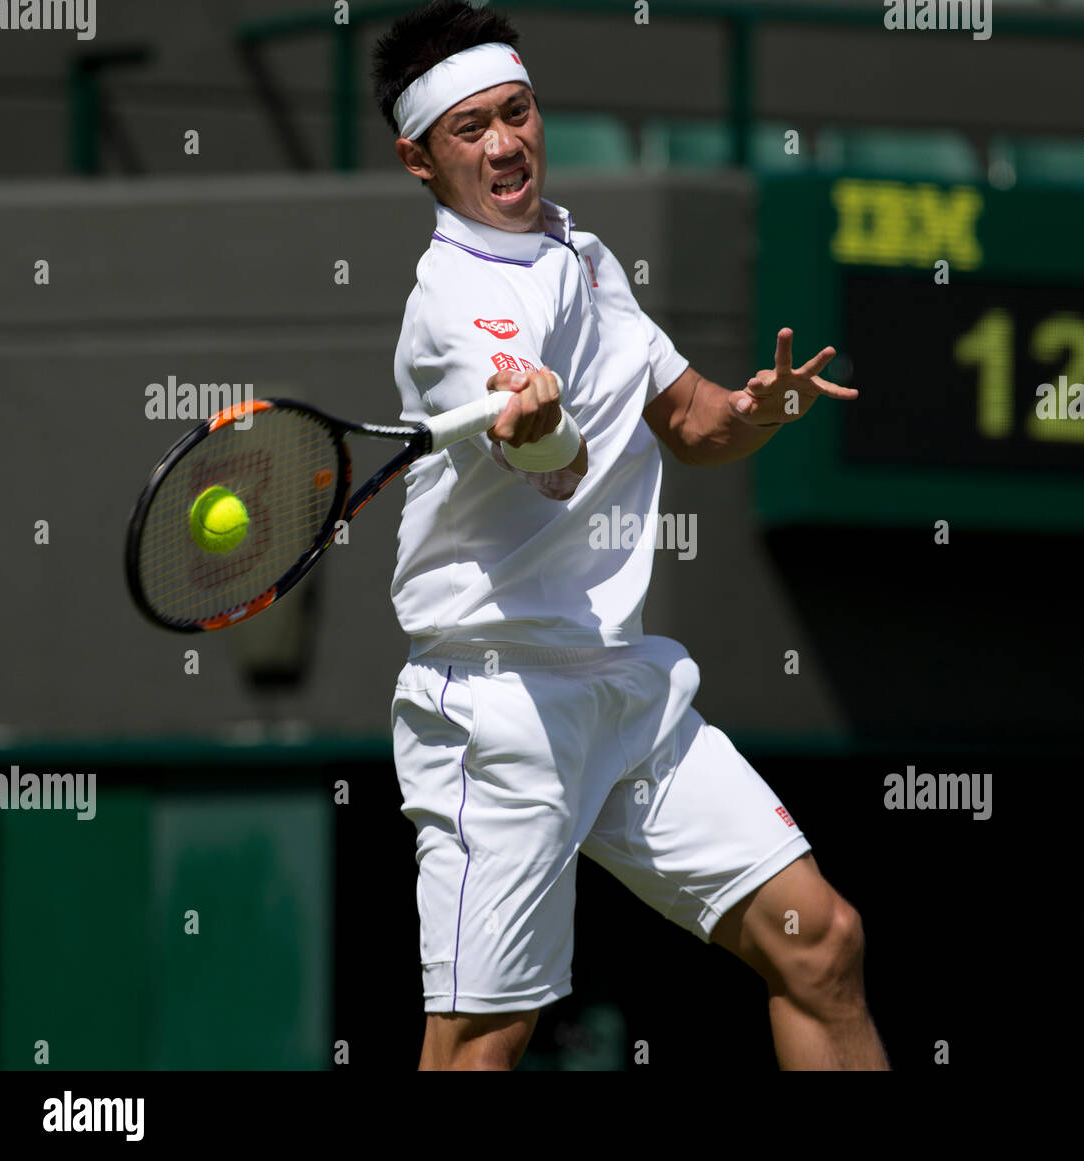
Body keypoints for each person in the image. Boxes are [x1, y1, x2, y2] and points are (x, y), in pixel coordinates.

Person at [372, 0, 887, 1071]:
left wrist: (764, 410)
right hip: (499, 708)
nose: (505, 144)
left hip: (624, 692)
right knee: (480, 1041)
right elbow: (550, 465)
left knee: (820, 946)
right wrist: (538, 427)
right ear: (419, 159)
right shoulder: (454, 307)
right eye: (471, 130)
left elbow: (692, 421)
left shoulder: (583, 255)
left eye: (516, 113)